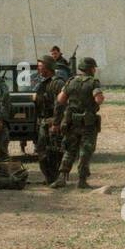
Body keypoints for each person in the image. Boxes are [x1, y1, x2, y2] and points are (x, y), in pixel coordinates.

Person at [52, 56, 105, 189]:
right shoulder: (93, 82)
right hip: (88, 123)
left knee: (70, 150)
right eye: (94, 68)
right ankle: (81, 180)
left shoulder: (71, 81)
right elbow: (98, 99)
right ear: (91, 69)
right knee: (85, 150)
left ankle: (61, 178)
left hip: (72, 122)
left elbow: (61, 99)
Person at [33, 54, 67, 181]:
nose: (38, 69)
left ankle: (54, 177)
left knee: (54, 152)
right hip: (42, 122)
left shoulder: (58, 83)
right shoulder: (42, 84)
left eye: (40, 66)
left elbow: (60, 104)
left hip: (52, 122)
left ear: (47, 67)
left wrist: (56, 123)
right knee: (42, 152)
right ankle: (49, 177)